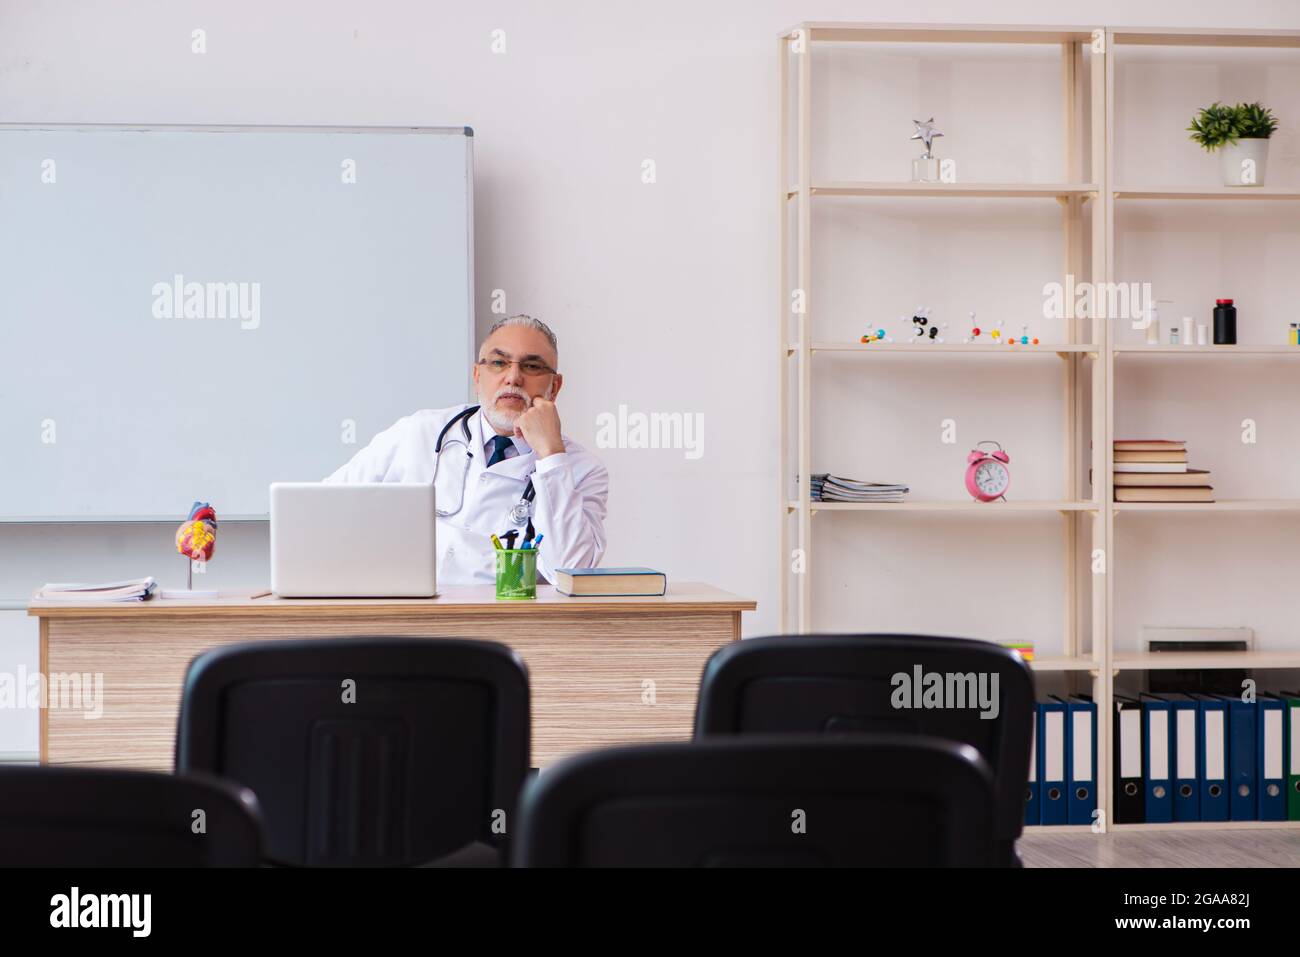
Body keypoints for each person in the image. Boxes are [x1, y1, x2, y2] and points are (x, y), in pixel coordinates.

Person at [325, 314, 608, 585]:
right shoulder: (418, 432)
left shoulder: (582, 469)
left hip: (508, 628)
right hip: (403, 619)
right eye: (498, 363)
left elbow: (570, 572)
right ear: (477, 376)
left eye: (531, 366)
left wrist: (551, 457)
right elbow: (326, 507)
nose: (513, 377)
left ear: (555, 387)